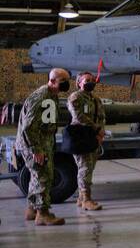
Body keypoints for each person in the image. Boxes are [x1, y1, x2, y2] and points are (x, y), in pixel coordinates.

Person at [16, 68, 70, 226]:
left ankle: (32, 210)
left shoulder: (51, 95)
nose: (66, 84)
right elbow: (28, 127)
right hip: (37, 144)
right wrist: (36, 150)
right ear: (52, 81)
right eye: (63, 81)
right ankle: (43, 214)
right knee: (44, 177)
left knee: (37, 176)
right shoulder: (41, 97)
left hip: (43, 142)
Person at [68, 71, 107, 211]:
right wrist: (97, 130)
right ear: (79, 83)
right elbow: (79, 117)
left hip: (94, 137)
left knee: (89, 168)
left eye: (92, 79)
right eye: (87, 80)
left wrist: (100, 133)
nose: (91, 81)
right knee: (85, 168)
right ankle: (86, 199)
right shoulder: (75, 97)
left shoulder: (95, 99)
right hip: (81, 137)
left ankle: (80, 198)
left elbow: (101, 117)